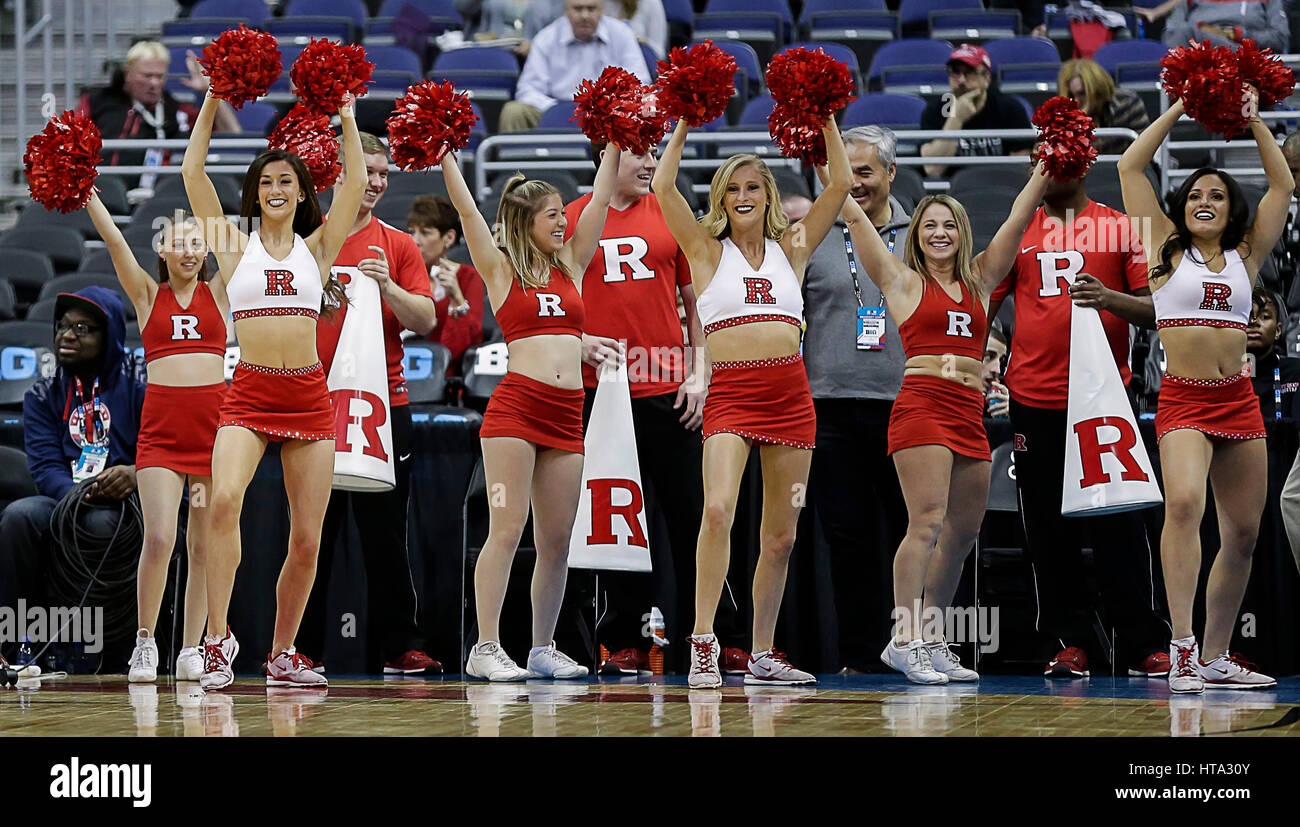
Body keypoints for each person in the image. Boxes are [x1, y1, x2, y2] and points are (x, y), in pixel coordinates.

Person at [833, 152, 1050, 684]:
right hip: (921, 407)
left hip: (968, 411)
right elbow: (854, 214)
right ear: (916, 234)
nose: (939, 232)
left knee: (960, 532)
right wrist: (826, 148)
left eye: (949, 223)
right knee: (926, 522)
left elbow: (1019, 215)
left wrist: (1046, 164)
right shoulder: (902, 281)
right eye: (929, 224)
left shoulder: (980, 281)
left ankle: (931, 635)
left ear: (962, 232)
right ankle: (902, 638)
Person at [652, 116, 854, 688]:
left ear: (768, 195)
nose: (742, 197)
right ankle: (703, 640)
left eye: (752, 187)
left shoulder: (793, 244)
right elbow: (663, 189)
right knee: (717, 510)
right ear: (721, 198)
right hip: (732, 394)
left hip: (790, 394)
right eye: (732, 188)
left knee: (782, 536)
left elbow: (837, 184)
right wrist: (687, 120)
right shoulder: (703, 249)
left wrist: (827, 118)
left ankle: (764, 652)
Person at [182, 89, 366, 690]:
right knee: (223, 502)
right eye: (267, 182)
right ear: (256, 194)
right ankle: (216, 639)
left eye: (287, 180)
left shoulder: (321, 247)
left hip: (309, 396)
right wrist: (212, 99)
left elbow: (357, 179)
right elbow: (192, 172)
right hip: (250, 393)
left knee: (308, 537)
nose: (277, 190)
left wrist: (345, 116)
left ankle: (283, 653)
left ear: (302, 191)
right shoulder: (234, 247)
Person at [1118, 88, 1290, 691]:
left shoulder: (1247, 256)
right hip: (1185, 399)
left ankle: (1217, 655)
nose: (1205, 200)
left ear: (1231, 207)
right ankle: (1183, 647)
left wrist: (1254, 120)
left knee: (1243, 532)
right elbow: (1129, 166)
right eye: (1195, 194)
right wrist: (1180, 107)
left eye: (1217, 194)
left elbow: (1282, 186)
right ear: (1181, 206)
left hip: (1238, 400)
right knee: (1185, 505)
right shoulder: (1163, 251)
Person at [440, 139, 620, 681]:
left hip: (568, 411)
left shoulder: (572, 261)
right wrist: (446, 150)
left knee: (557, 538)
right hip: (515, 410)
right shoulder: (499, 269)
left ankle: (542, 647)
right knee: (506, 526)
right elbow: (469, 212)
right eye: (552, 216)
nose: (563, 222)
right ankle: (487, 646)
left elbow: (603, 199)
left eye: (563, 214)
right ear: (526, 221)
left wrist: (612, 138)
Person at [988, 159, 1172, 680]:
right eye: (1041, 159)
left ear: (1084, 162)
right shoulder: (1018, 227)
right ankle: (1069, 642)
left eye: (1062, 156)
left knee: (1120, 520)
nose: (1051, 167)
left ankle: (1142, 641)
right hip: (1034, 398)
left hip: (1104, 398)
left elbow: (1156, 309)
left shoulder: (1118, 226)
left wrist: (1108, 298)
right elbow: (983, 297)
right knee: (1047, 527)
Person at [563, 142, 715, 676]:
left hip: (667, 388)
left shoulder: (673, 214)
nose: (650, 163)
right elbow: (553, 301)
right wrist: (577, 340)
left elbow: (700, 304)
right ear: (606, 156)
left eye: (655, 153)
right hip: (597, 394)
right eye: (637, 154)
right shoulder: (573, 217)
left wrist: (701, 372)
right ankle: (624, 634)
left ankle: (704, 634)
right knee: (617, 517)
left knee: (689, 515)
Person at [298, 132, 440, 677]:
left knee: (386, 533)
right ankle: (300, 646)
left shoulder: (398, 245)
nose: (377, 182)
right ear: (339, 172)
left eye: (384, 174)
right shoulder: (307, 239)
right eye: (369, 172)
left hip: (384, 403)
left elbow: (426, 320)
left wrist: (387, 288)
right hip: (315, 404)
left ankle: (402, 645)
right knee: (315, 532)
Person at [83, 192, 228, 683]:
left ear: (208, 251)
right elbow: (113, 239)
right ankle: (145, 643)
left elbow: (246, 237)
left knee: (205, 543)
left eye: (197, 242)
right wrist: (88, 196)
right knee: (162, 536)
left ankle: (192, 647)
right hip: (162, 439)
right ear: (162, 251)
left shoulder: (222, 295)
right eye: (177, 242)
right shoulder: (148, 296)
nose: (189, 250)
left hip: (211, 437)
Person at [800, 125, 910, 674]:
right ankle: (861, 656)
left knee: (918, 531)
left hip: (908, 403)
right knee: (848, 537)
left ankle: (918, 646)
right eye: (847, 171)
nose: (856, 183)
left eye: (866, 171)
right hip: (829, 406)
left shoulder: (926, 233)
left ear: (891, 173)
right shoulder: (807, 236)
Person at [0, 288, 147, 655]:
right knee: (18, 518)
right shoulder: (41, 395)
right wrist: (77, 495)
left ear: (109, 335)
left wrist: (134, 473)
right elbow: (45, 466)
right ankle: (14, 645)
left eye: (83, 328)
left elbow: (161, 452)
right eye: (63, 327)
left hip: (129, 501)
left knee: (101, 526)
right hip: (67, 497)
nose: (68, 335)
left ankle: (102, 650)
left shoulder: (141, 387)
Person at [76, 40, 239, 173]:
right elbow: (72, 141)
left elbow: (232, 134)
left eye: (159, 76)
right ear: (128, 74)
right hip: (102, 186)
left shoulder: (176, 110)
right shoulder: (97, 102)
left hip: (155, 196)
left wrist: (212, 90)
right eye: (147, 76)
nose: (154, 83)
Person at [500, 0, 650, 132]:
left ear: (601, 9)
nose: (585, 15)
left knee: (642, 107)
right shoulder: (547, 37)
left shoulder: (621, 33)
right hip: (554, 107)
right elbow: (528, 90)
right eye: (578, 9)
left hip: (609, 113)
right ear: (566, 9)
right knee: (514, 111)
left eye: (591, 9)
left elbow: (640, 83)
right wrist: (559, 110)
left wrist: (610, 106)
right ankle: (518, 164)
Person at [920, 44, 1033, 178]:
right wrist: (956, 119)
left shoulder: (1009, 108)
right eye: (955, 72)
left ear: (987, 79)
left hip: (1000, 186)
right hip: (952, 192)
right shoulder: (935, 110)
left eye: (969, 72)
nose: (961, 80)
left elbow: (1021, 168)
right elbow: (933, 169)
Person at [407, 195, 487, 375]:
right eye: (412, 232)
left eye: (425, 233)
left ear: (449, 237)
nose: (415, 240)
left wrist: (457, 298)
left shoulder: (468, 277)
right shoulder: (401, 276)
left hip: (446, 379)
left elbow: (466, 348)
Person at [1057, 58, 1150, 155]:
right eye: (1071, 96)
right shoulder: (1063, 114)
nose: (1076, 101)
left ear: (1098, 90)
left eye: (1082, 93)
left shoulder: (1127, 104)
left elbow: (1146, 148)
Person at [1159, 0, 1288, 51]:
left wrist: (1237, 34)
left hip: (1244, 54)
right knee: (1179, 34)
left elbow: (1279, 39)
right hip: (1197, 56)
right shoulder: (1186, 2)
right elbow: (1173, 34)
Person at [983, 324, 1009, 419]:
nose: (997, 370)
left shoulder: (1004, 402)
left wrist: (1015, 416)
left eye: (1001, 361)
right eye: (989, 357)